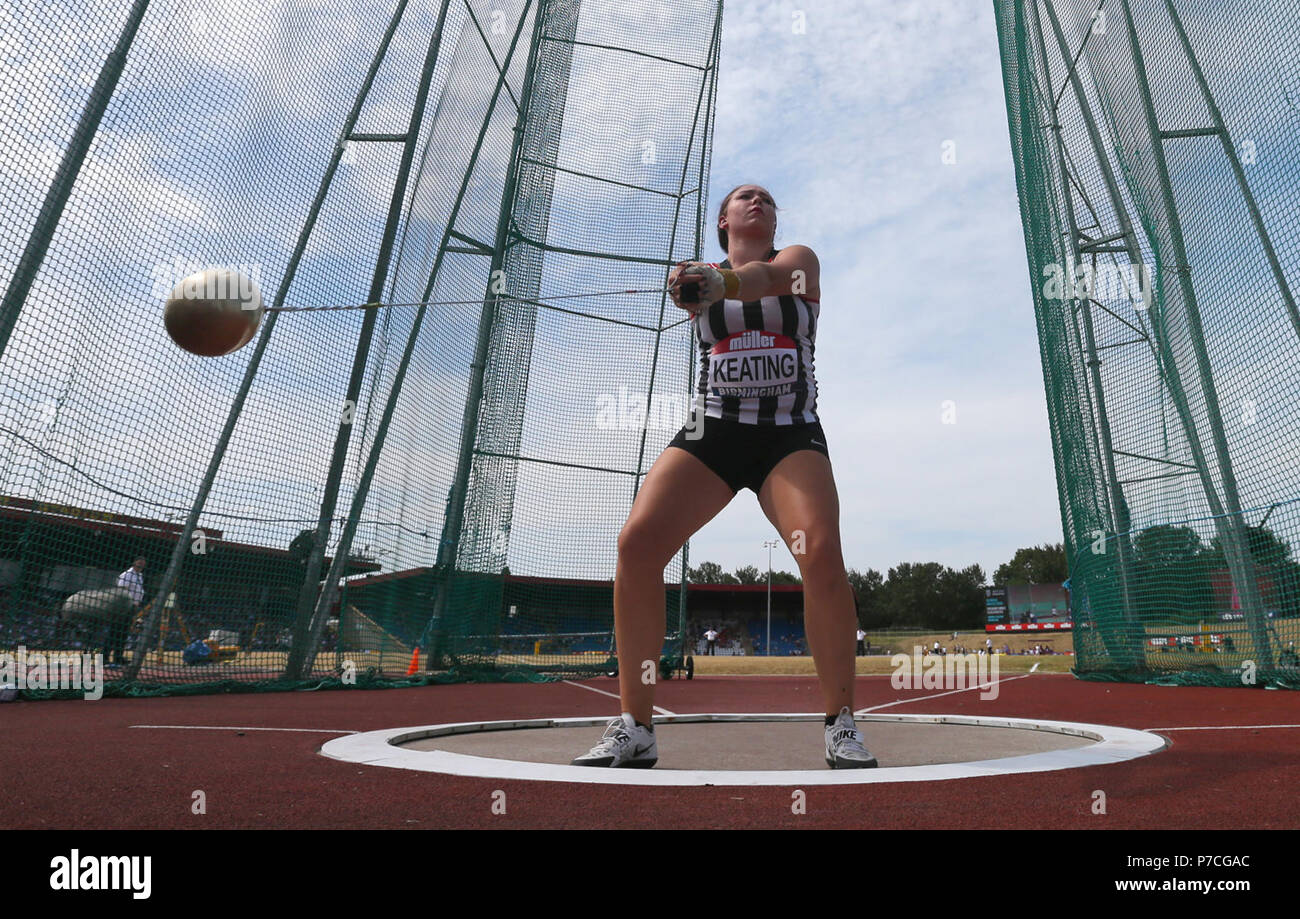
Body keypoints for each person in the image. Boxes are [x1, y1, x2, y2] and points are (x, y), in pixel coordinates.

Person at [571, 184, 875, 769]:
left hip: (788, 433)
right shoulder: (697, 274)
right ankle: (636, 725)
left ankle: (841, 724)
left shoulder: (798, 263)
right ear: (723, 219)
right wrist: (692, 282)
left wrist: (724, 283)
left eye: (766, 197)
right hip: (713, 431)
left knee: (820, 553)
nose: (758, 200)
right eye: (744, 197)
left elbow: (763, 281)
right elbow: (690, 286)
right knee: (637, 545)